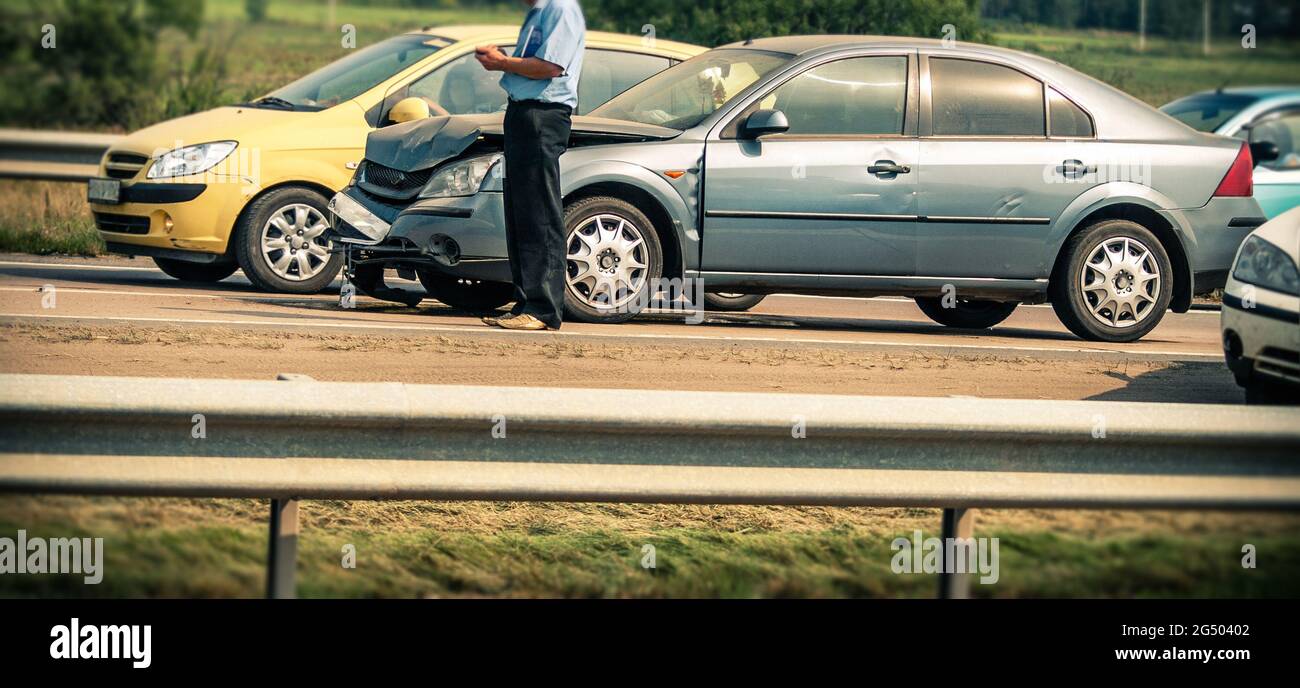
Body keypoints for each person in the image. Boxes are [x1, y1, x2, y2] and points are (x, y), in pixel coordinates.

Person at [474, 0, 586, 331]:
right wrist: (506, 60)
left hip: (543, 114)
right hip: (525, 113)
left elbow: (551, 66)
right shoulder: (540, 10)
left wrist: (501, 63)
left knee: (539, 211)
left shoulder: (561, 8)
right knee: (522, 211)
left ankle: (543, 308)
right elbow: (535, 63)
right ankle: (527, 301)